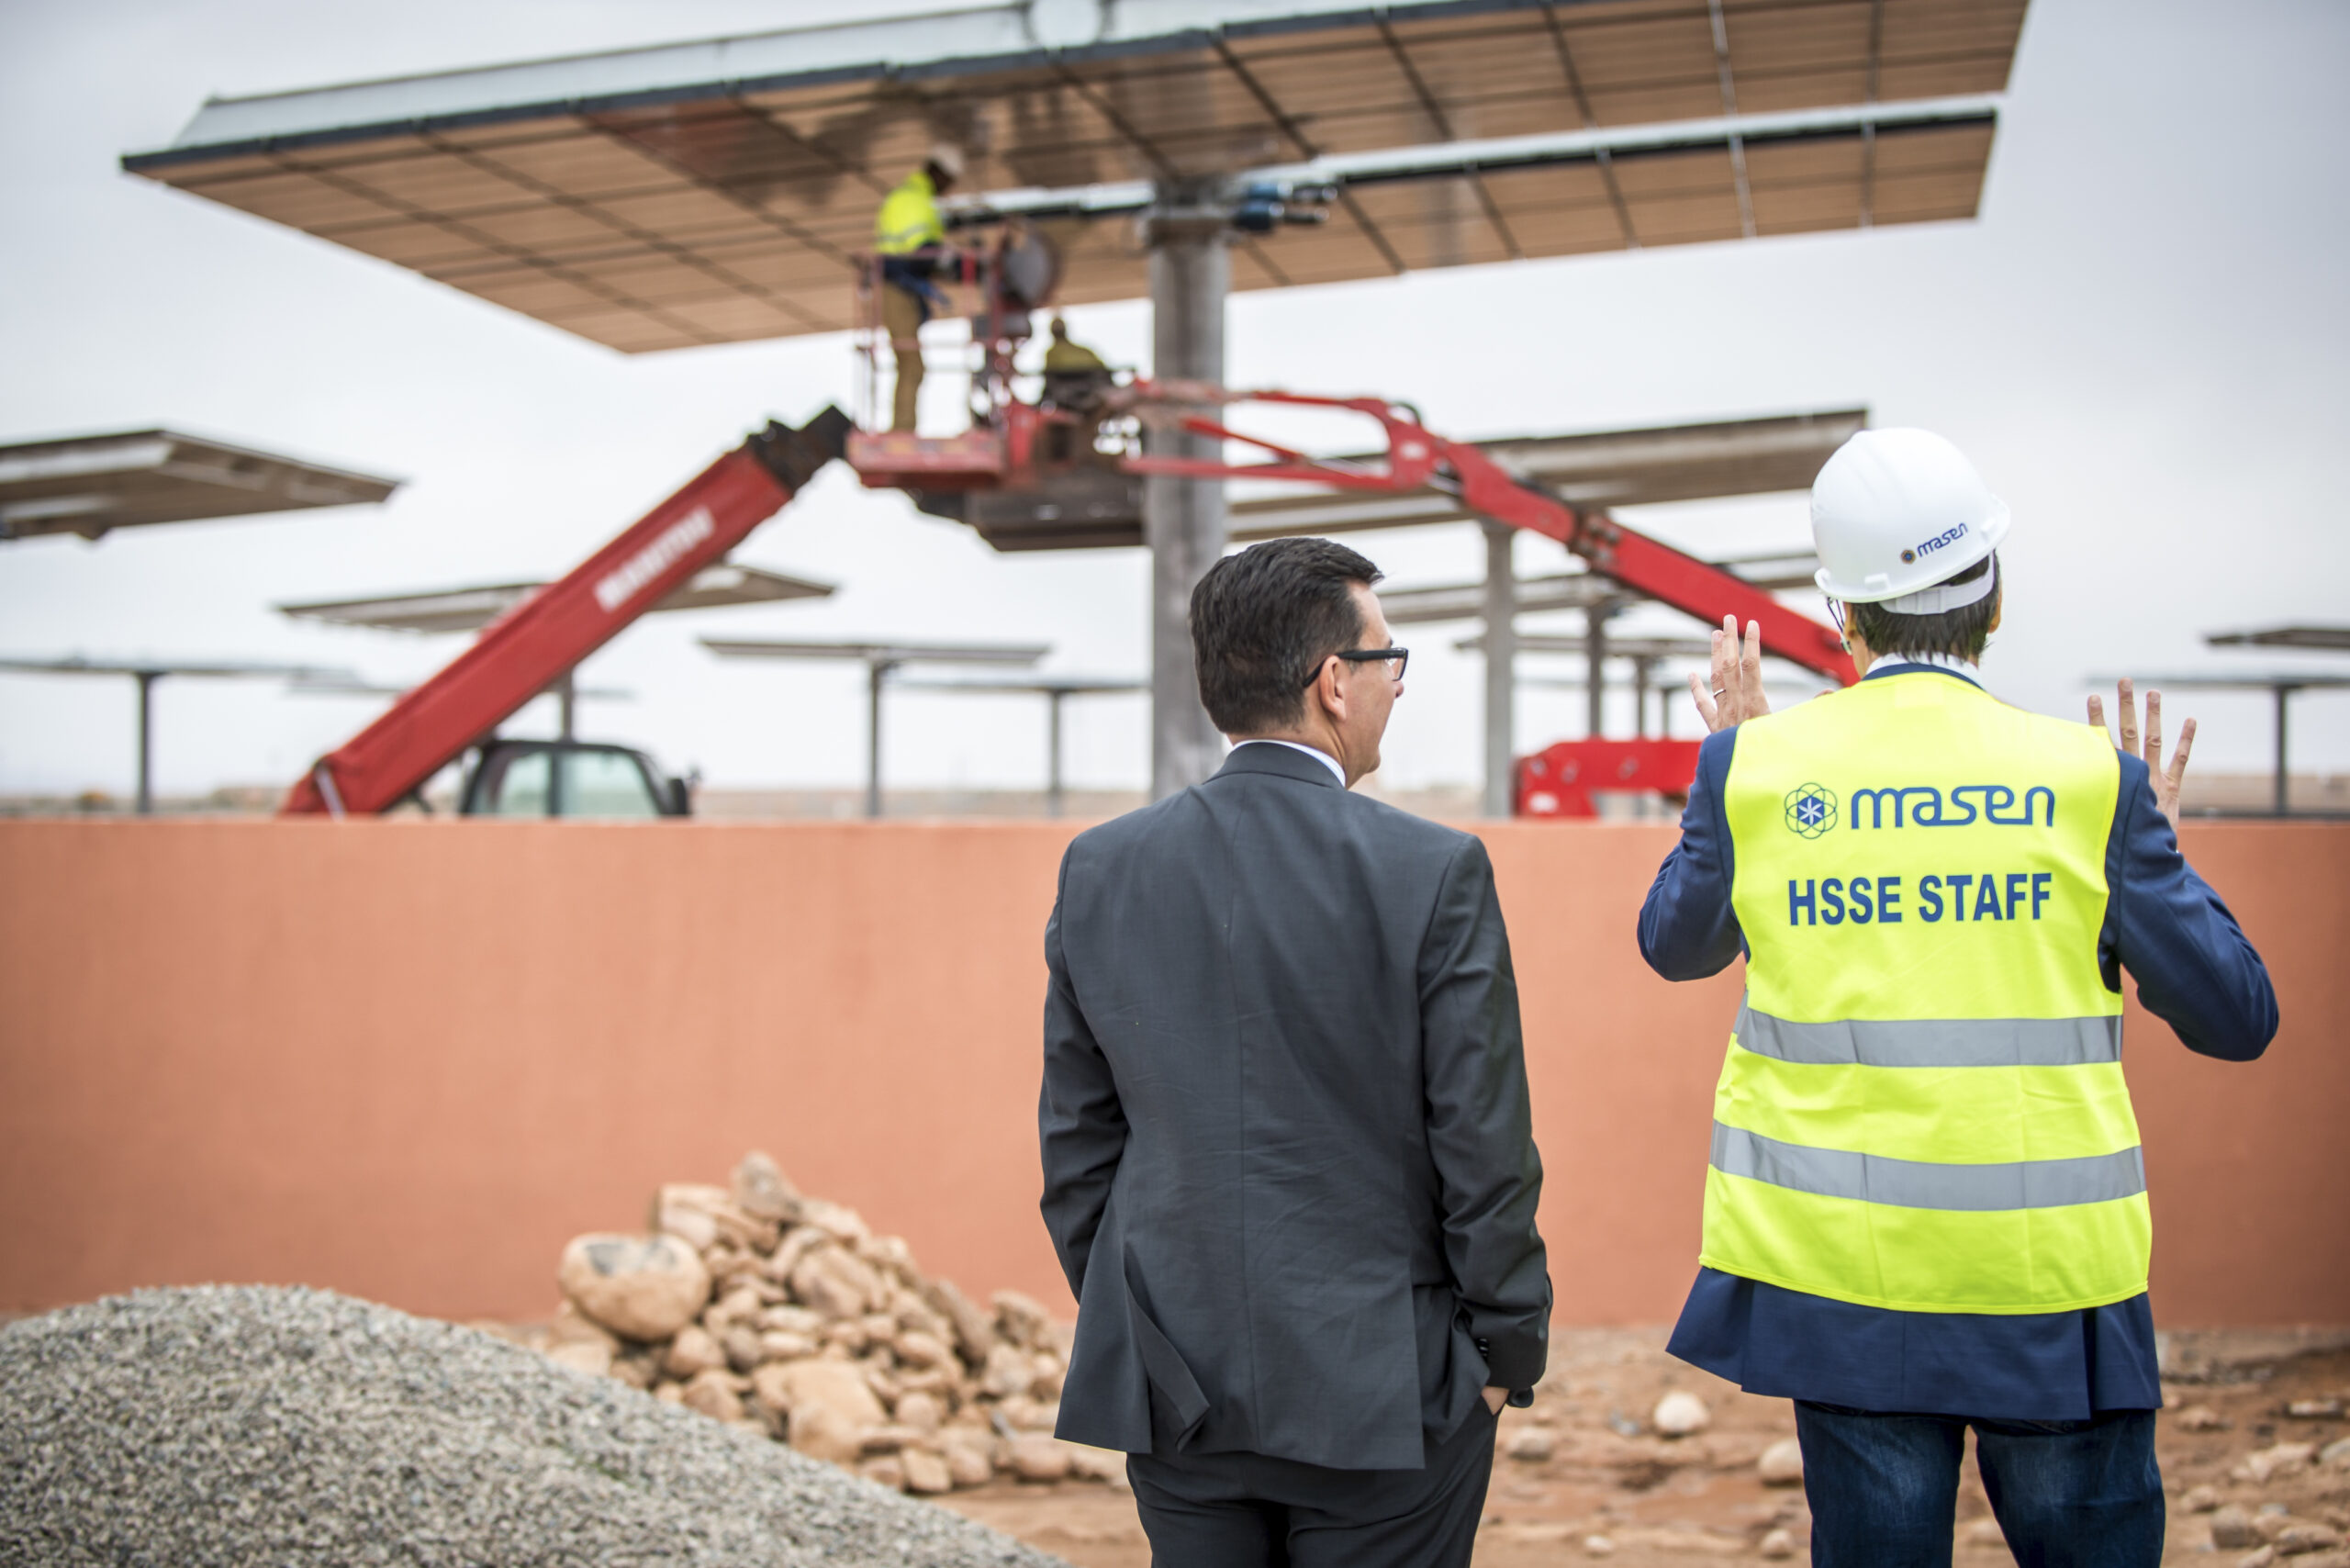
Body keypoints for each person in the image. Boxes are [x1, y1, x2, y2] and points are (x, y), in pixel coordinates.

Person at [1638, 429, 2278, 1567]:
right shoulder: (2093, 783)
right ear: (1994, 596)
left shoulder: (1755, 769)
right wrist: (2159, 857)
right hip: (2051, 1282)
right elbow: (2237, 1018)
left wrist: (1734, 769)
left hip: (1841, 1276)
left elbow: (1673, 948)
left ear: (1843, 613)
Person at [1039, 537, 1550, 1568]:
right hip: (1391, 1390)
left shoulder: (1101, 867)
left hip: (1176, 1387)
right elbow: (1481, 1141)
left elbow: (1078, 1148)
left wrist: (1140, 1324)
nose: (1395, 684)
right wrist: (1503, 1355)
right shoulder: (1433, 869)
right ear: (1332, 683)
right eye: (1387, 657)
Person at [873, 144, 964, 432]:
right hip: (896, 287)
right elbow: (921, 251)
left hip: (903, 287)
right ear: (938, 172)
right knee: (911, 364)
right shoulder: (912, 199)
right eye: (949, 180)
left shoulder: (916, 198)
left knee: (912, 364)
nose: (948, 188)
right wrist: (952, 261)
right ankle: (901, 433)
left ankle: (902, 430)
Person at [1039, 315, 1112, 464]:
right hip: (1093, 394)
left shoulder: (1052, 353)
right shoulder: (1083, 350)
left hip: (1075, 399)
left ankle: (1070, 453)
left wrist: (1040, 403)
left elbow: (1049, 383)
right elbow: (1105, 374)